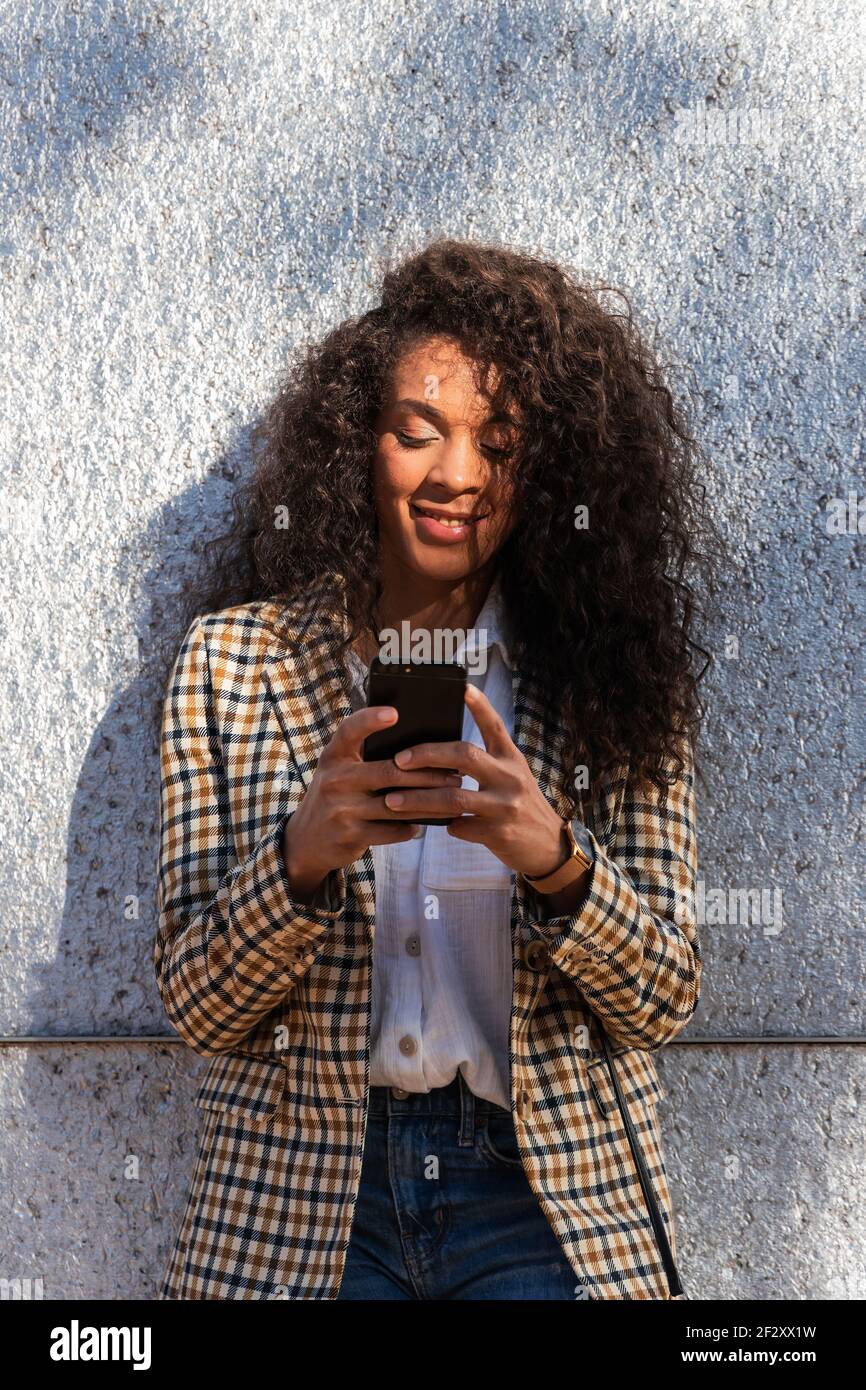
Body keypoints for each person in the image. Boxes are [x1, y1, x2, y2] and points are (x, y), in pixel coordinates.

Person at [154, 237, 711, 1300]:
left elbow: (663, 995)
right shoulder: (232, 663)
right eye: (417, 433)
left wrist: (554, 860)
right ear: (356, 444)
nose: (457, 474)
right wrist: (300, 860)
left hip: (538, 1192)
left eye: (498, 444)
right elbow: (198, 1006)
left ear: (543, 472)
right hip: (303, 1190)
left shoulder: (608, 676)